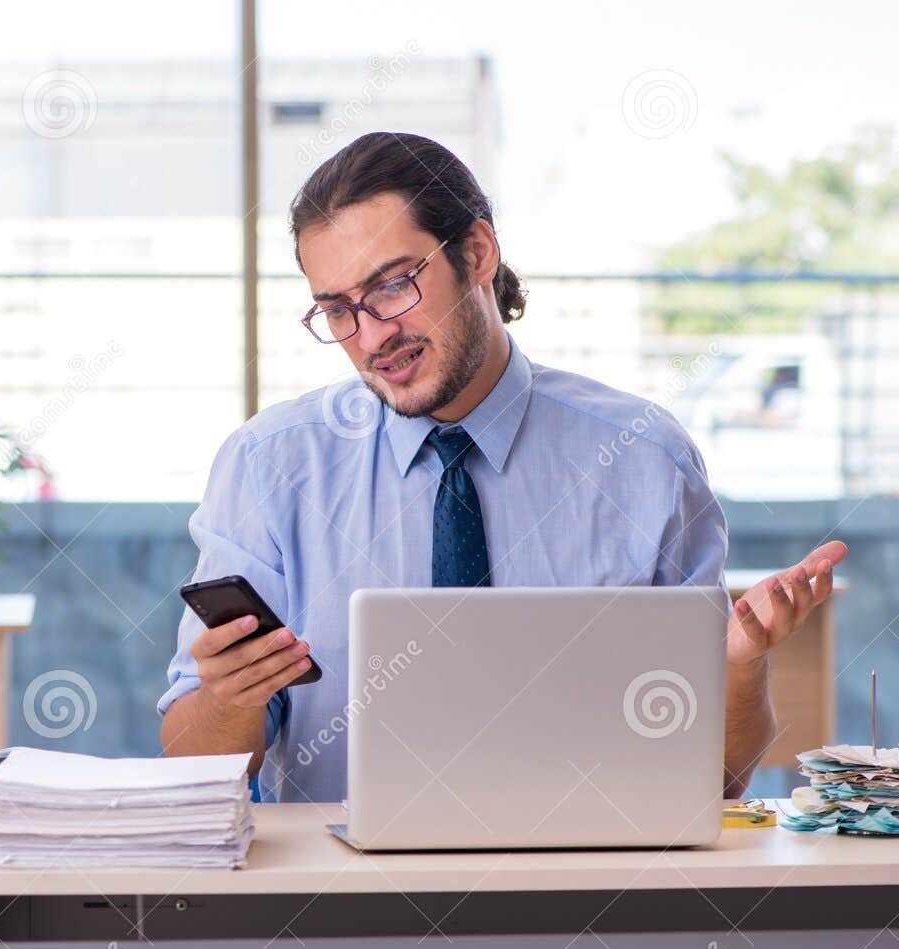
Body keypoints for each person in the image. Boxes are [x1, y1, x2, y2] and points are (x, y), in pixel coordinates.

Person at [158, 131, 846, 804]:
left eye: (392, 286)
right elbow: (195, 766)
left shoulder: (644, 459)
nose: (371, 336)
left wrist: (741, 666)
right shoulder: (271, 467)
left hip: (587, 872)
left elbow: (717, 780)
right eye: (338, 310)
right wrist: (228, 699)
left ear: (478, 253)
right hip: (340, 876)